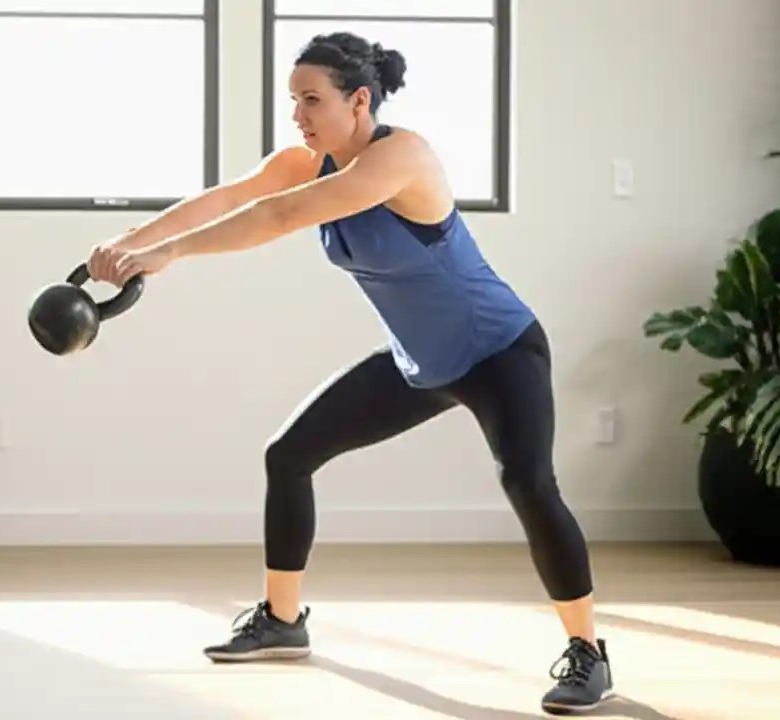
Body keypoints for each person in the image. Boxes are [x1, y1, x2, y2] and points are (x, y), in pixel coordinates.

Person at [85, 31, 614, 715]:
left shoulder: (402, 157)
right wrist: (130, 243)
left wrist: (171, 255)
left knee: (528, 482)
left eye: (312, 100)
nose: (297, 115)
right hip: (419, 360)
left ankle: (588, 653)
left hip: (499, 349)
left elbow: (278, 215)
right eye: (293, 100)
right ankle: (283, 621)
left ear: (359, 100)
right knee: (288, 455)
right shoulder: (306, 161)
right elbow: (229, 198)